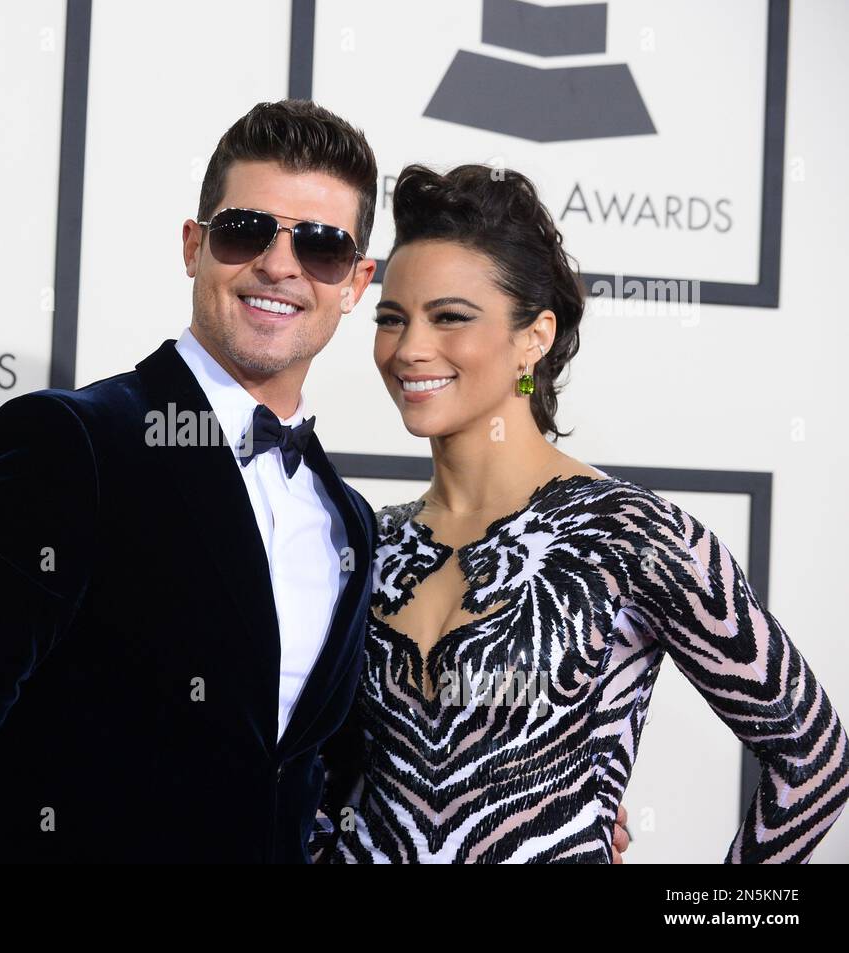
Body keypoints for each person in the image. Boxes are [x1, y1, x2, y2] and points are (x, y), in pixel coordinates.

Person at [0, 99, 385, 862]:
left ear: (354, 281)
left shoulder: (349, 519)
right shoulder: (73, 444)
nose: (279, 265)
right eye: (246, 230)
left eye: (321, 246)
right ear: (194, 246)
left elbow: (323, 775)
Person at [316, 163, 849, 863]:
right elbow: (322, 783)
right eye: (392, 318)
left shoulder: (632, 534)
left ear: (534, 336)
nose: (410, 348)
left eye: (450, 317)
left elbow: (811, 756)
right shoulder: (368, 538)